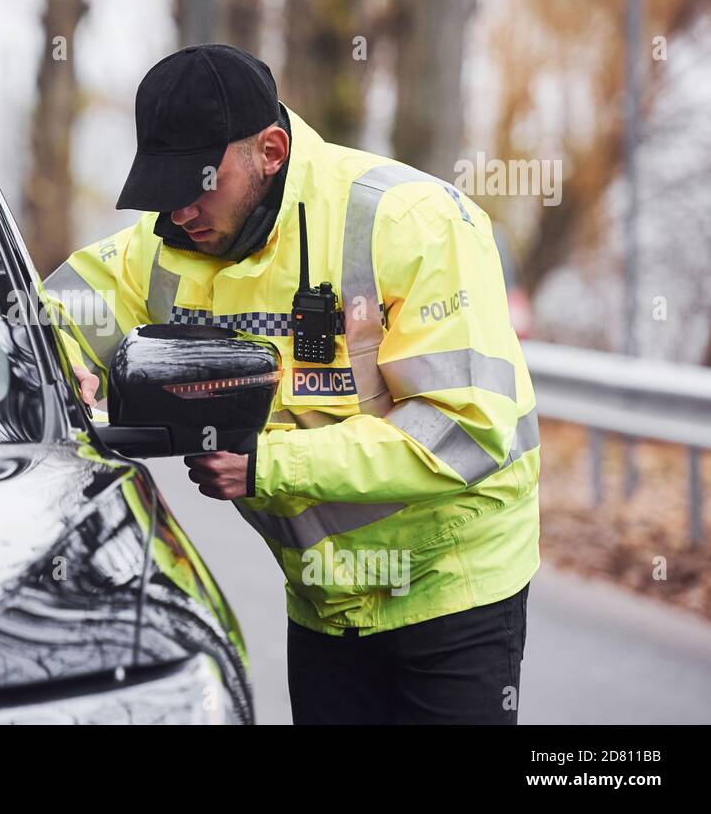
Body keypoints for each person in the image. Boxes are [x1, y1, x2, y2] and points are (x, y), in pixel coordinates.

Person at [41, 44, 538, 724]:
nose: (179, 210)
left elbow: (462, 429)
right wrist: (53, 359)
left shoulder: (413, 224)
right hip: (322, 599)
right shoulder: (164, 249)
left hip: (451, 588)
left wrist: (266, 465)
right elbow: (51, 316)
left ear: (270, 151)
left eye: (199, 183)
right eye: (164, 187)